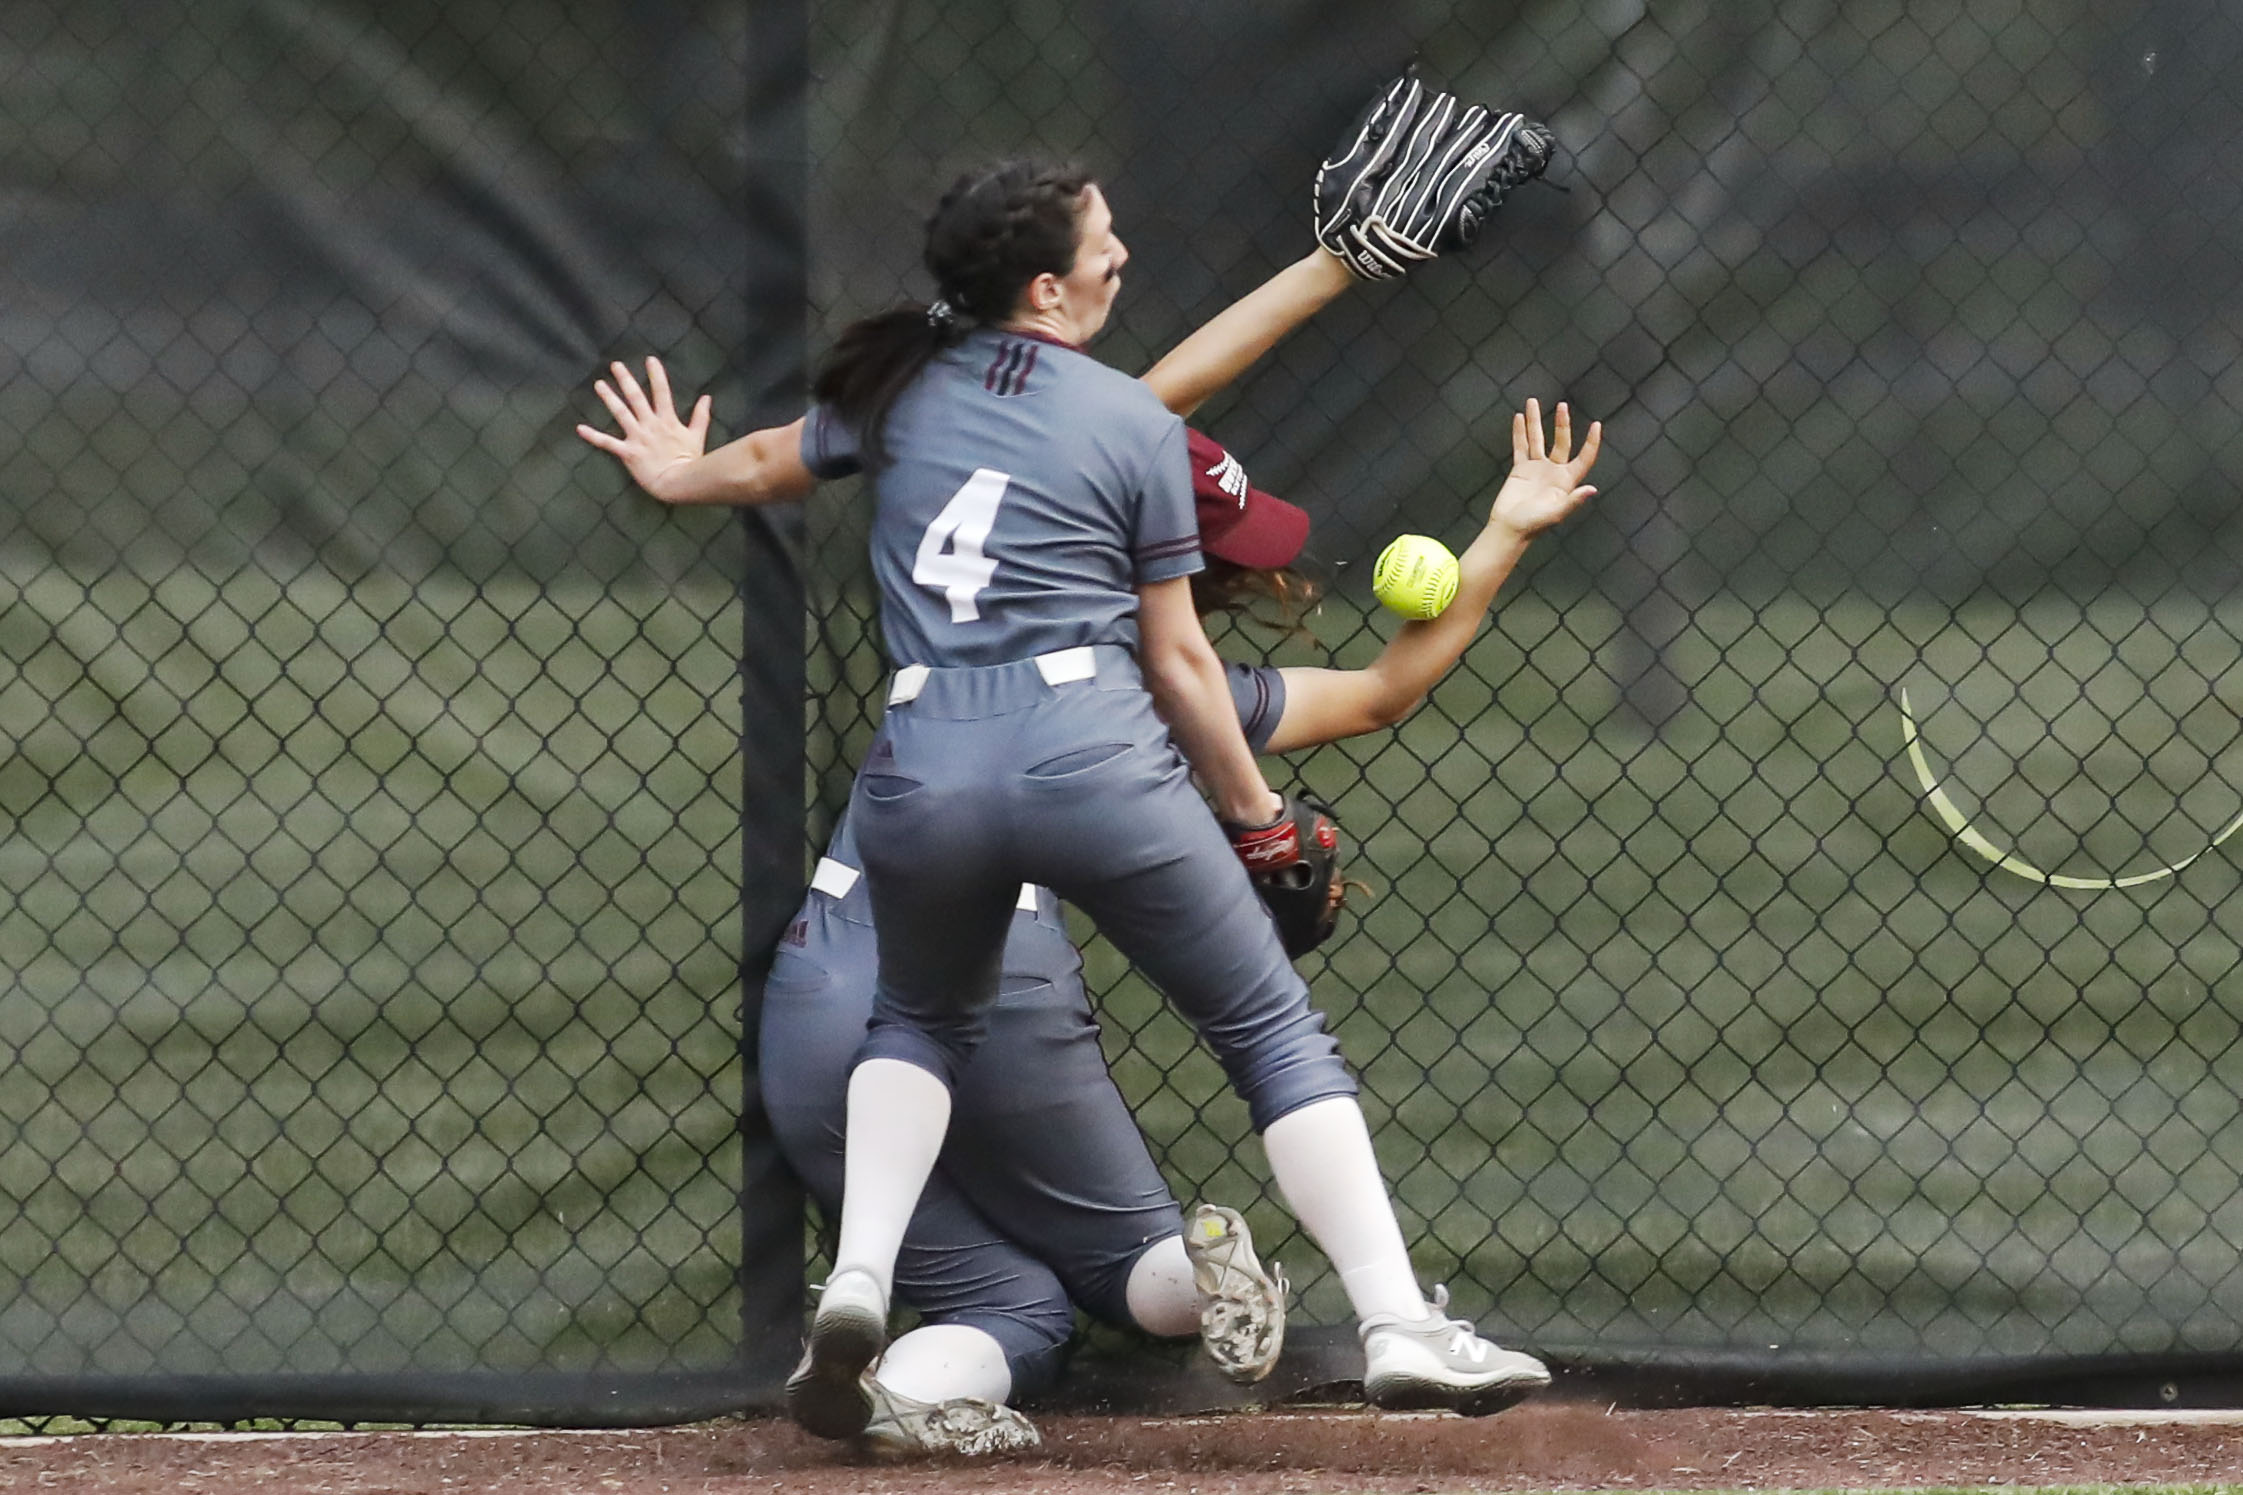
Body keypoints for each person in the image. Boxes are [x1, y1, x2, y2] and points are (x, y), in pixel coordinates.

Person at [576, 158, 1582, 1449]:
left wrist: (680, 472)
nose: (1120, 255)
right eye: (1101, 241)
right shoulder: (1118, 429)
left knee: (917, 1026)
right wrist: (1259, 817)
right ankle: (1394, 1319)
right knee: (1270, 1033)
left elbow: (774, 455)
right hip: (1084, 747)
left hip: (922, 759)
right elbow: (1200, 658)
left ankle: (857, 1282)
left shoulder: (903, 392)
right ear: (1045, 288)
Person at [758, 392, 1598, 1457]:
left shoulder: (961, 629)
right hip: (1000, 981)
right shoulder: (1160, 685)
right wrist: (1503, 531)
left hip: (812, 1003)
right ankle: (1208, 1280)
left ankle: (874, 1347)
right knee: (1134, 1255)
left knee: (1012, 1306)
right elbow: (1384, 690)